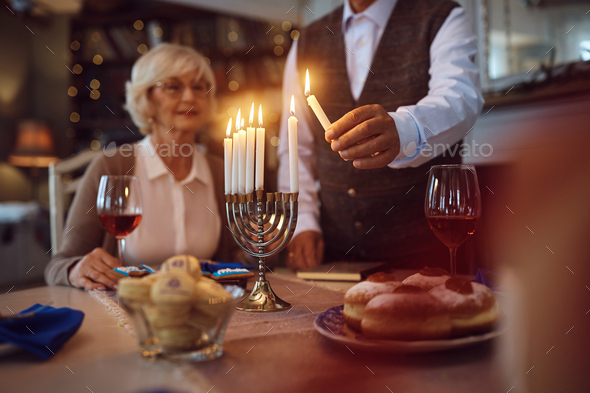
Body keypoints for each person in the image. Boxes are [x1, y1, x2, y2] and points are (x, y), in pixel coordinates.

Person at [278, 0, 484, 270]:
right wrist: (302, 221)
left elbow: (460, 100)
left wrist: (403, 130)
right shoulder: (307, 40)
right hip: (335, 259)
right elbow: (296, 146)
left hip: (426, 254)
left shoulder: (442, 17)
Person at [45, 43, 240, 290]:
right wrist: (76, 269)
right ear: (146, 98)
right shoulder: (111, 166)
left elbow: (238, 261)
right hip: (127, 312)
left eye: (198, 87)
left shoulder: (222, 172)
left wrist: (258, 246)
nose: (190, 97)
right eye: (173, 86)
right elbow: (59, 265)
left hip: (201, 311)